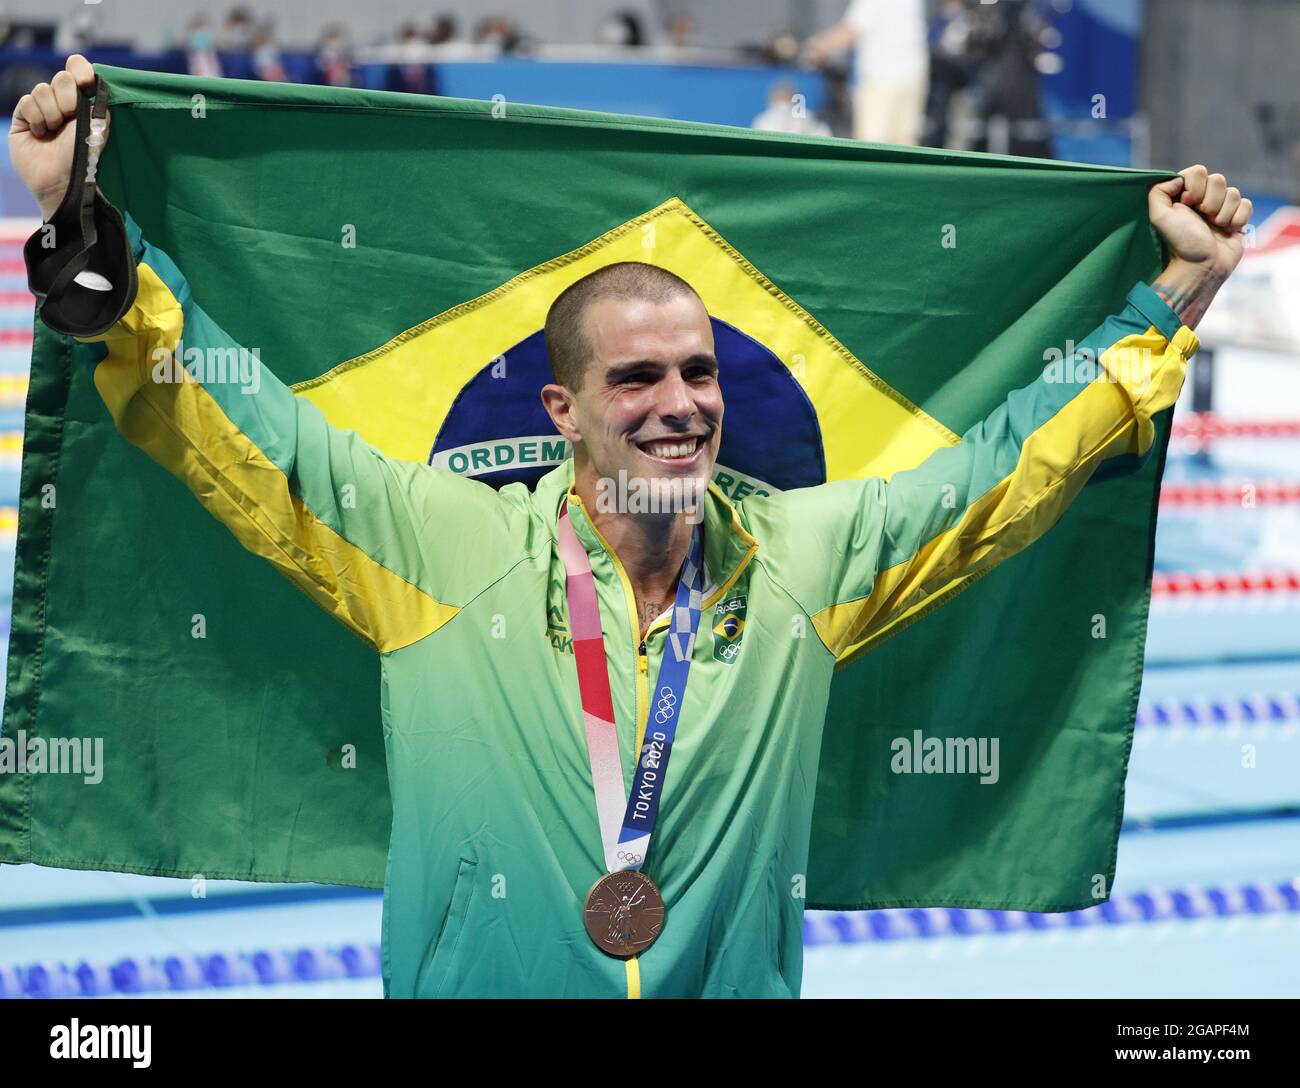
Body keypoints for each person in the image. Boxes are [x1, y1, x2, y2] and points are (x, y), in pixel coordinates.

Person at [11, 56, 1253, 999]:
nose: (680, 405)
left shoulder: (799, 563)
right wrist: (84, 228)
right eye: (636, 378)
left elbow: (1001, 480)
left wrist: (1173, 293)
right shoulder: (446, 549)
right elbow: (248, 439)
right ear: (562, 408)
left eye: (699, 373)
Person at [805, 0, 931, 145]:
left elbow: (850, 32)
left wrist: (816, 46)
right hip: (914, 73)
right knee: (905, 140)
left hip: (881, 77)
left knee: (871, 144)